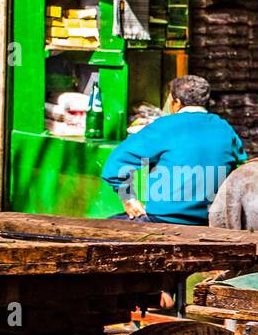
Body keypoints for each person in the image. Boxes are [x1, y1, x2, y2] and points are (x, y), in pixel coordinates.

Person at [101, 74, 246, 224]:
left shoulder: (164, 126)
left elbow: (115, 165)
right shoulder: (225, 129)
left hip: (163, 221)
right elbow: (241, 167)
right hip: (211, 221)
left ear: (176, 103)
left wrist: (129, 200)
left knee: (103, 229)